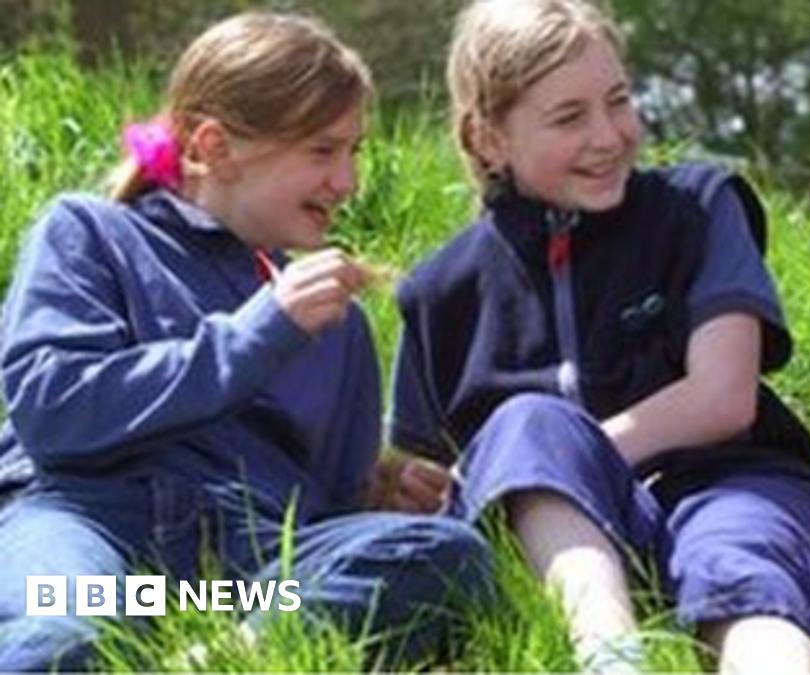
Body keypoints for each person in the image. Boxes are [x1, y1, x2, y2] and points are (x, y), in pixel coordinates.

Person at [0, 12, 490, 670]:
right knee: (62, 633)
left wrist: (377, 486)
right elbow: (54, 412)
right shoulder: (90, 233)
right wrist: (255, 335)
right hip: (87, 522)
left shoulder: (328, 318)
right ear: (211, 146)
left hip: (234, 580)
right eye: (322, 150)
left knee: (441, 554)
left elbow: (322, 513)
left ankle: (218, 658)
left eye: (354, 151)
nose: (346, 182)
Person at [387, 0, 810, 671]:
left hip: (731, 482)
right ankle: (609, 654)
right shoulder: (438, 291)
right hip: (558, 547)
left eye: (619, 100)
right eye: (570, 117)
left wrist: (556, 452)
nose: (608, 135)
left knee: (741, 573)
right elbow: (423, 483)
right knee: (525, 422)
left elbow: (724, 398)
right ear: (488, 138)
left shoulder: (698, 206)